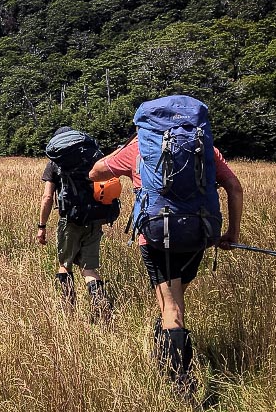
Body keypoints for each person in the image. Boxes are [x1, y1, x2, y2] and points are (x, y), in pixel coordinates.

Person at [89, 99, 243, 395]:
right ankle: (163, 347)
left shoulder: (138, 149)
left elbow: (96, 173)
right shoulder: (205, 149)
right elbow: (235, 188)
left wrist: (126, 149)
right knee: (174, 295)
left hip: (157, 236)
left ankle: (180, 380)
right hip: (199, 232)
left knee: (172, 305)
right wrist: (232, 233)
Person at [38, 126, 113, 319]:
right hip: (95, 217)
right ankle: (101, 308)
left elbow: (47, 198)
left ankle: (68, 311)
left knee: (65, 264)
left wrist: (42, 226)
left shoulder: (55, 163)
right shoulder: (91, 157)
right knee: (89, 268)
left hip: (69, 220)